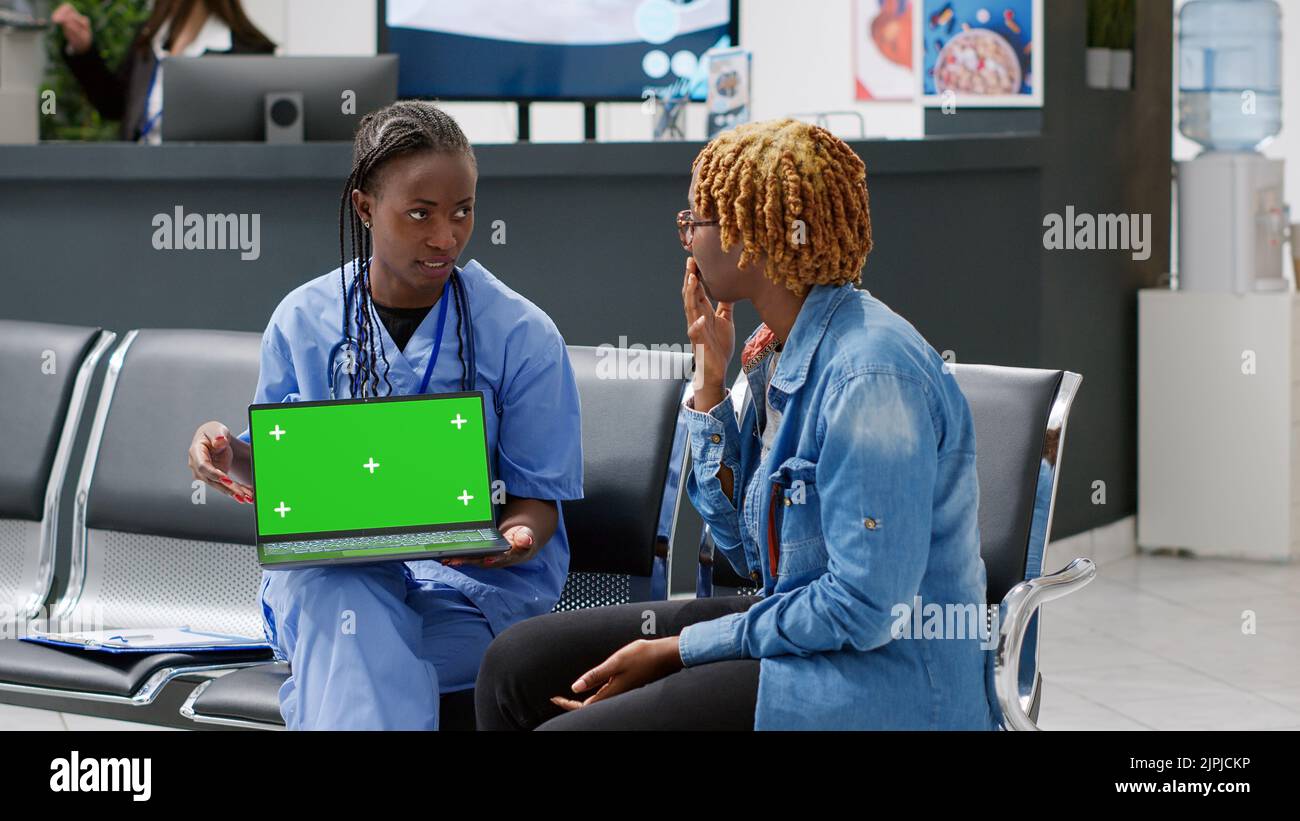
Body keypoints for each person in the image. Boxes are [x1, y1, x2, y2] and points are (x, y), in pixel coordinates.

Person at [475, 117, 998, 730]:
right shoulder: (775, 351)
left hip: (879, 681)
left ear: (754, 234)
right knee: (515, 664)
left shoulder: (871, 378)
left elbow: (865, 609)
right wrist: (711, 380)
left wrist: (678, 650)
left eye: (694, 221)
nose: (687, 239)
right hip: (811, 639)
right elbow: (747, 554)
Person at [185, 101, 583, 730]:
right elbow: (292, 482)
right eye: (419, 213)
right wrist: (229, 456)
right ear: (365, 207)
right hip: (331, 578)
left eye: (463, 211)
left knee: (346, 657)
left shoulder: (521, 334)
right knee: (345, 603)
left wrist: (517, 537)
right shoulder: (303, 320)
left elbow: (535, 503)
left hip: (467, 598)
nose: (446, 236)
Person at [52, 0, 275, 143]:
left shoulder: (248, 51)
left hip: (207, 193)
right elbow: (115, 106)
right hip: (138, 181)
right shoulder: (150, 38)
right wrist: (84, 50)